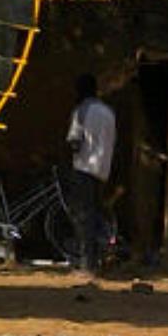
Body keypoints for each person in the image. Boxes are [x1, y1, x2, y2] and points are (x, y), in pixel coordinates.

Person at [62, 73, 117, 277]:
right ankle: (100, 258)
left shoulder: (81, 111)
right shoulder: (108, 112)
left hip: (84, 168)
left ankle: (87, 265)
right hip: (102, 170)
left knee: (83, 218)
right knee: (95, 214)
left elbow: (74, 141)